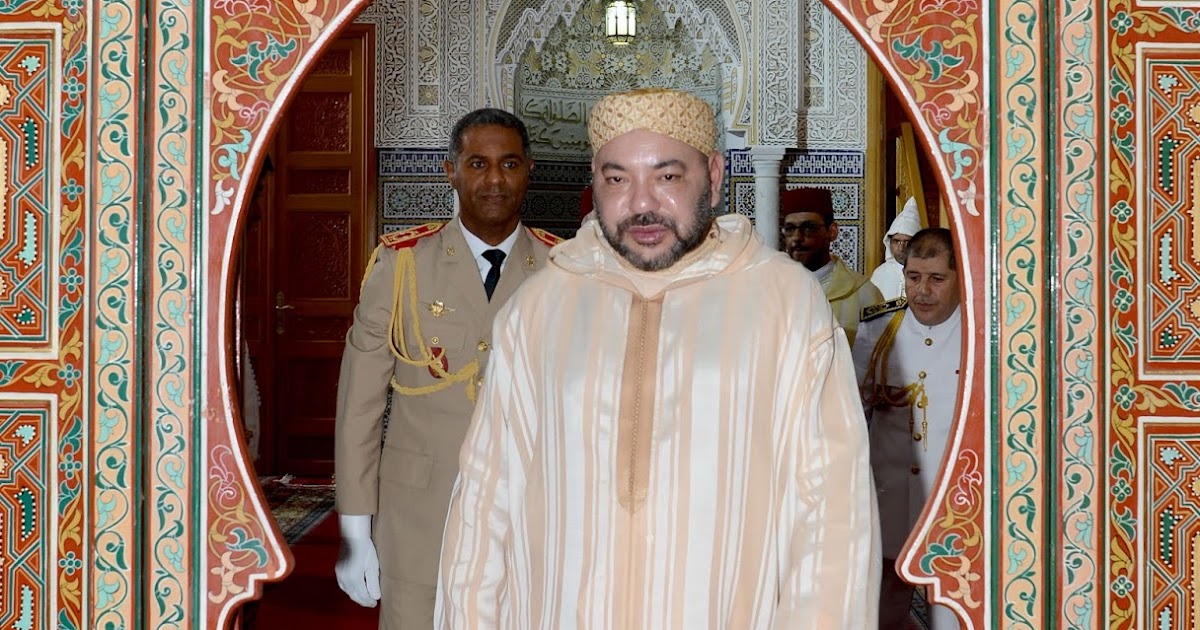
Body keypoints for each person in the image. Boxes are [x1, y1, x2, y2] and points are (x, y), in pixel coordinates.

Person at [436, 87, 880, 629]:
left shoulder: (784, 302)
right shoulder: (539, 307)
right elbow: (485, 503)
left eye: (667, 176)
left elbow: (832, 512)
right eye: (617, 178)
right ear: (594, 182)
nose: (641, 203)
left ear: (714, 176)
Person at [334, 107, 562, 629]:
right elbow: (359, 408)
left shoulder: (563, 268)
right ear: (451, 171)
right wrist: (353, 529)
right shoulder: (402, 264)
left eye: (509, 164)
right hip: (418, 513)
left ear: (528, 169)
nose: (494, 180)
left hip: (531, 510)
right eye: (477, 164)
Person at [851, 227, 962, 630]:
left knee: (951, 617)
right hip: (889, 506)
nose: (922, 291)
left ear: (960, 277)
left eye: (936, 278)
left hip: (954, 511)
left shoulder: (982, 335)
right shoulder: (879, 330)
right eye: (913, 277)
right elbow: (856, 421)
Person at [781, 187, 883, 346]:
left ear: (832, 231)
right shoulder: (770, 289)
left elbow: (876, 359)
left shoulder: (863, 294)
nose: (797, 238)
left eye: (809, 228)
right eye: (790, 229)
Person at [869, 197, 922, 300]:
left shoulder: (928, 272)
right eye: (897, 241)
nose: (901, 247)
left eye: (907, 242)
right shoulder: (881, 274)